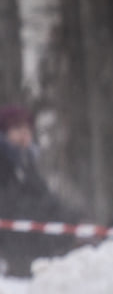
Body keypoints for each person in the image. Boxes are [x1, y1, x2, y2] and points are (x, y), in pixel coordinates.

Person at [0, 106, 74, 275]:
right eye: (18, 128)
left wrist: (72, 217)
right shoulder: (5, 161)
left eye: (27, 128)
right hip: (11, 239)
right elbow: (9, 201)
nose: (24, 134)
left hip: (31, 232)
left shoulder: (27, 161)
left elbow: (42, 193)